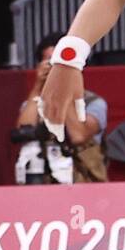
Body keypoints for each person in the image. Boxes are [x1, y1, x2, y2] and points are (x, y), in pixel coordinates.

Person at [16, 34, 107, 184]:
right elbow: (23, 131)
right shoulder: (35, 101)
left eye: (60, 62)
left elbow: (78, 136)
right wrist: (38, 87)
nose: (55, 68)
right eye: (50, 62)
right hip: (42, 182)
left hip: (83, 181)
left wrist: (65, 86)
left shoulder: (94, 103)